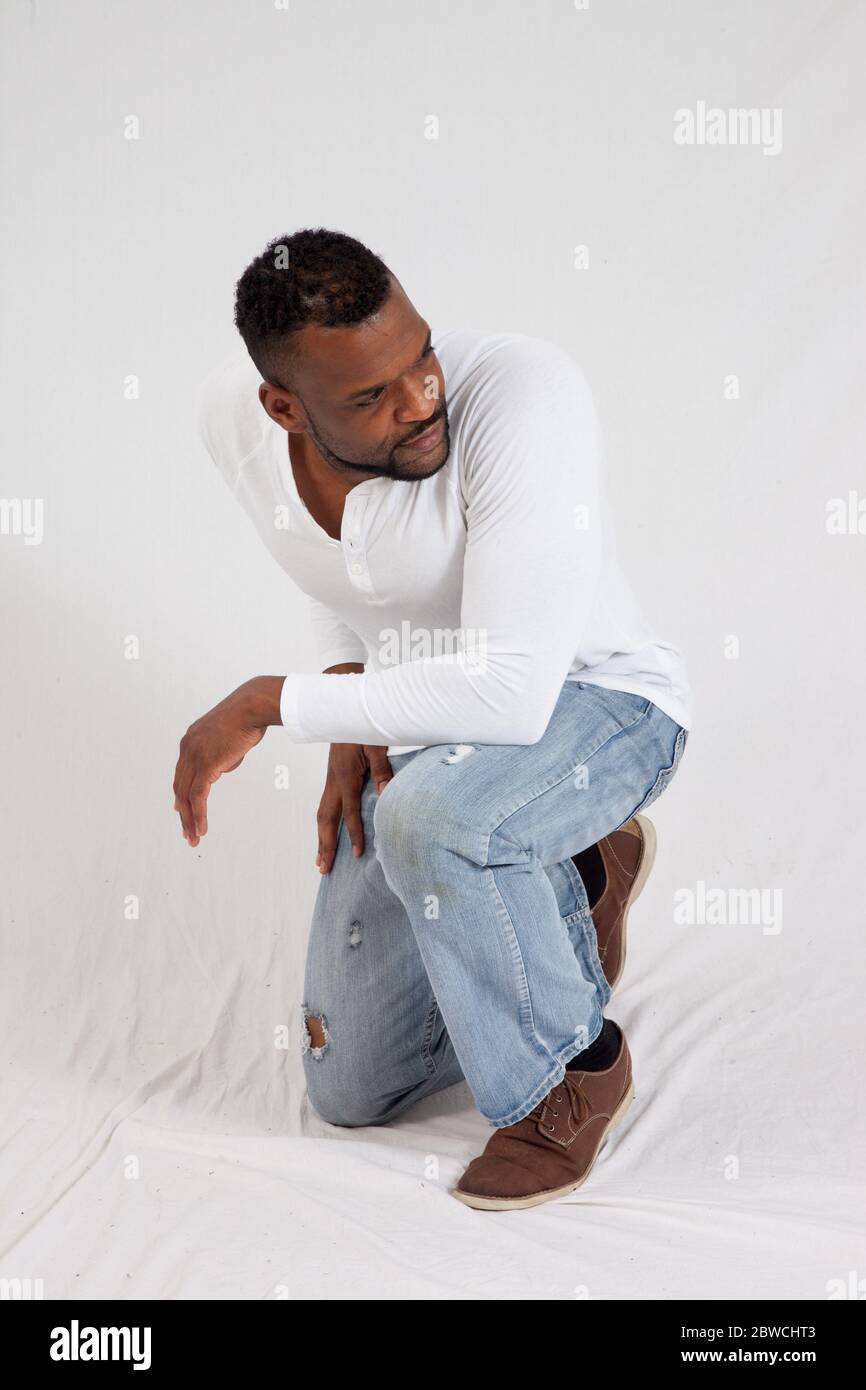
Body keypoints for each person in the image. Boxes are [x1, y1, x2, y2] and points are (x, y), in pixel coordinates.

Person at [173, 227, 691, 1211]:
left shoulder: (524, 393)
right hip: (430, 731)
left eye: (420, 361)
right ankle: (579, 870)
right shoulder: (230, 427)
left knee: (433, 818)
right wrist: (344, 691)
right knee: (352, 1084)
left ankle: (566, 1073)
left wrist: (274, 701)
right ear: (282, 407)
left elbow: (509, 692)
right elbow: (328, 565)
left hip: (596, 705)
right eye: (369, 398)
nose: (419, 402)